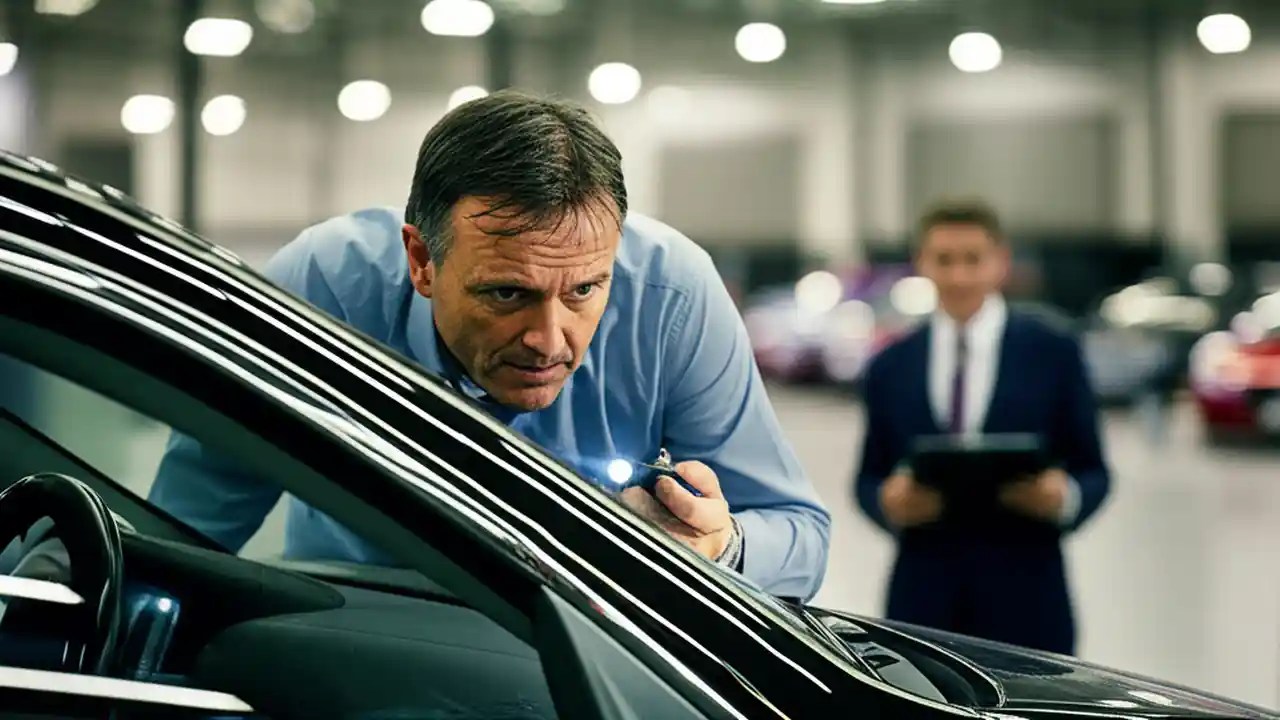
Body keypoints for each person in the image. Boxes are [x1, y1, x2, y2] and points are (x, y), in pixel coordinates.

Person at [147, 90, 831, 601]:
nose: (548, 340)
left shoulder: (672, 297)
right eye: (508, 294)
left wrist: (720, 546)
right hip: (367, 649)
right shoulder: (323, 288)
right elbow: (181, 523)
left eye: (585, 290)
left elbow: (800, 535)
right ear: (421, 259)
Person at [853, 200, 1110, 654]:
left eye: (973, 260)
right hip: (922, 597)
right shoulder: (890, 366)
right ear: (922, 264)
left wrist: (1063, 497)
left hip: (1029, 594)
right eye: (944, 260)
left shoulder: (1054, 353)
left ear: (1000, 263)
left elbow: (1094, 470)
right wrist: (887, 502)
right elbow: (868, 475)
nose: (958, 276)